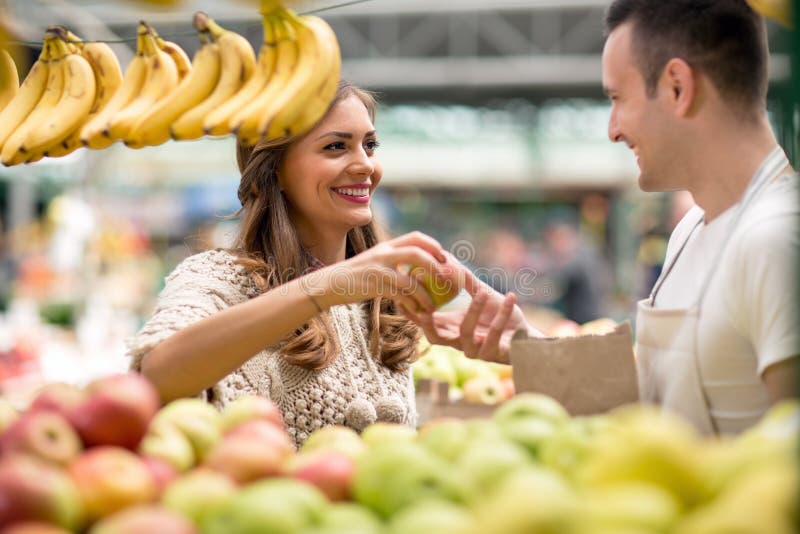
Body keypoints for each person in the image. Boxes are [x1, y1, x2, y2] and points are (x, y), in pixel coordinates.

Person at [409, 0, 799, 435]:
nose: (613, 129)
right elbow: (658, 408)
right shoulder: (691, 230)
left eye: (618, 98)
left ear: (677, 87)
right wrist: (525, 346)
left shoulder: (779, 238)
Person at [127, 81, 449, 447]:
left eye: (370, 145)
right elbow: (154, 376)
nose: (365, 165)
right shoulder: (217, 278)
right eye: (336, 147)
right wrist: (325, 287)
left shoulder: (382, 301)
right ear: (275, 170)